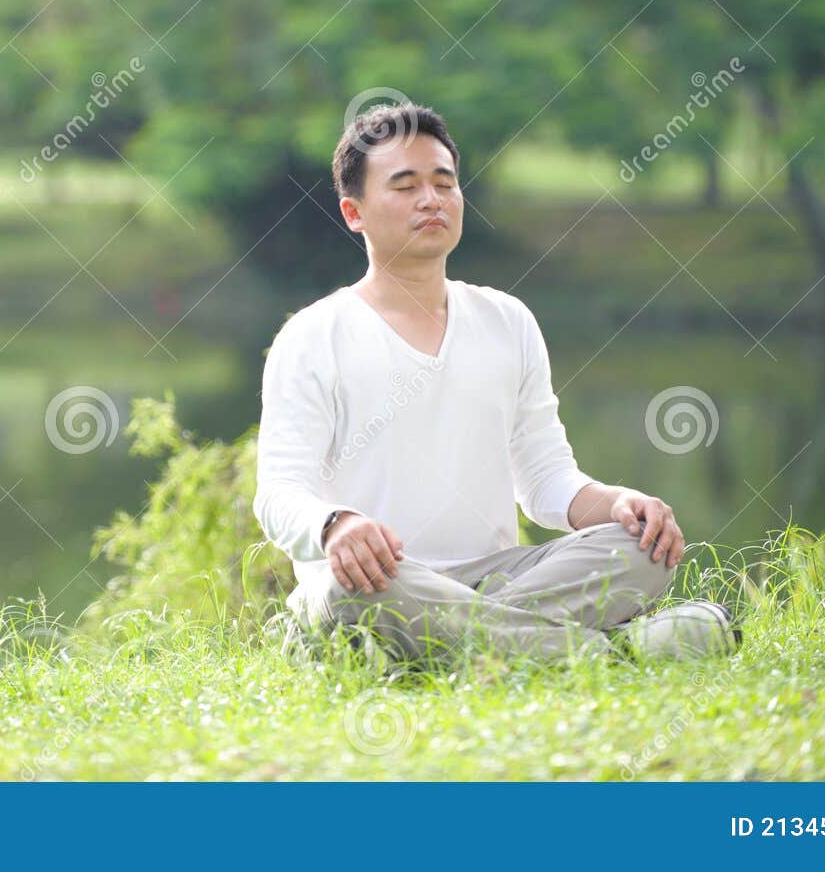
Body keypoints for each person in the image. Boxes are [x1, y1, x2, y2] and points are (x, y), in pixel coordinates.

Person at [253, 101, 739, 666]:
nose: (431, 200)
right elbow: (279, 494)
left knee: (639, 549)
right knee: (347, 593)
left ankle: (454, 646)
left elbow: (545, 480)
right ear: (353, 213)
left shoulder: (507, 320)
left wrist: (618, 502)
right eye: (405, 186)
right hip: (381, 582)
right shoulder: (314, 335)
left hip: (496, 576)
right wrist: (335, 525)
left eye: (444, 183)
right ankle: (614, 655)